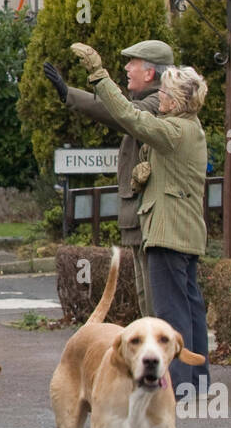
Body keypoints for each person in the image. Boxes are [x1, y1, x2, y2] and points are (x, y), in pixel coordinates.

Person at [70, 42, 210, 391]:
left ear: (175, 100)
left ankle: (175, 385)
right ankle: (197, 381)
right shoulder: (189, 127)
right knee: (191, 307)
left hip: (167, 233)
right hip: (185, 232)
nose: (159, 96)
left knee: (169, 313)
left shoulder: (174, 130)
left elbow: (129, 116)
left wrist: (98, 75)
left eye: (164, 92)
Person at [43, 39, 173, 317]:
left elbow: (122, 113)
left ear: (150, 73)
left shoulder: (155, 105)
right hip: (141, 217)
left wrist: (77, 90)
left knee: (154, 305)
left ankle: (163, 358)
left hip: (149, 216)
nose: (126, 68)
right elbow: (121, 111)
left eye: (132, 63)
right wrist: (70, 94)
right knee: (146, 301)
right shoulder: (146, 103)